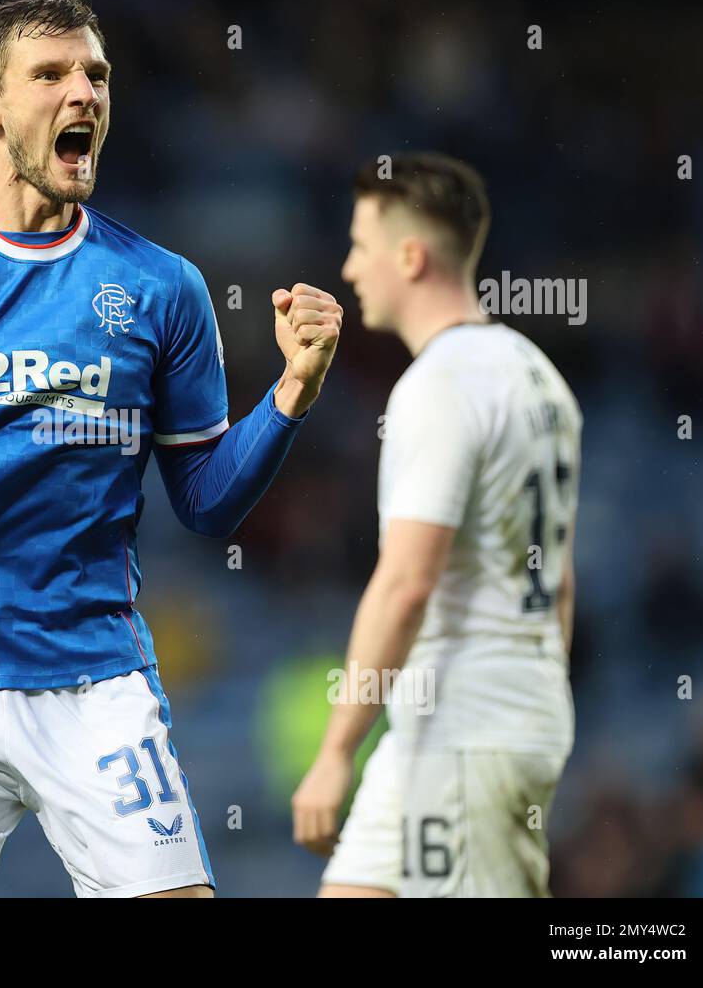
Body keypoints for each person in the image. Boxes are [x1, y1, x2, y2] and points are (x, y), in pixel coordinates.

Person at [0, 0, 342, 898]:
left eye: (95, 74)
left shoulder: (163, 288)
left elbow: (207, 501)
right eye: (49, 74)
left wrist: (291, 391)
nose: (82, 93)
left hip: (93, 686)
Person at [293, 153, 580, 897]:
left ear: (411, 257)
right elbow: (561, 582)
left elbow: (406, 584)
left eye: (360, 245)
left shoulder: (439, 385)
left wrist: (335, 752)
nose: (351, 268)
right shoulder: (539, 376)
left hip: (467, 729)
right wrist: (538, 694)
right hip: (460, 723)